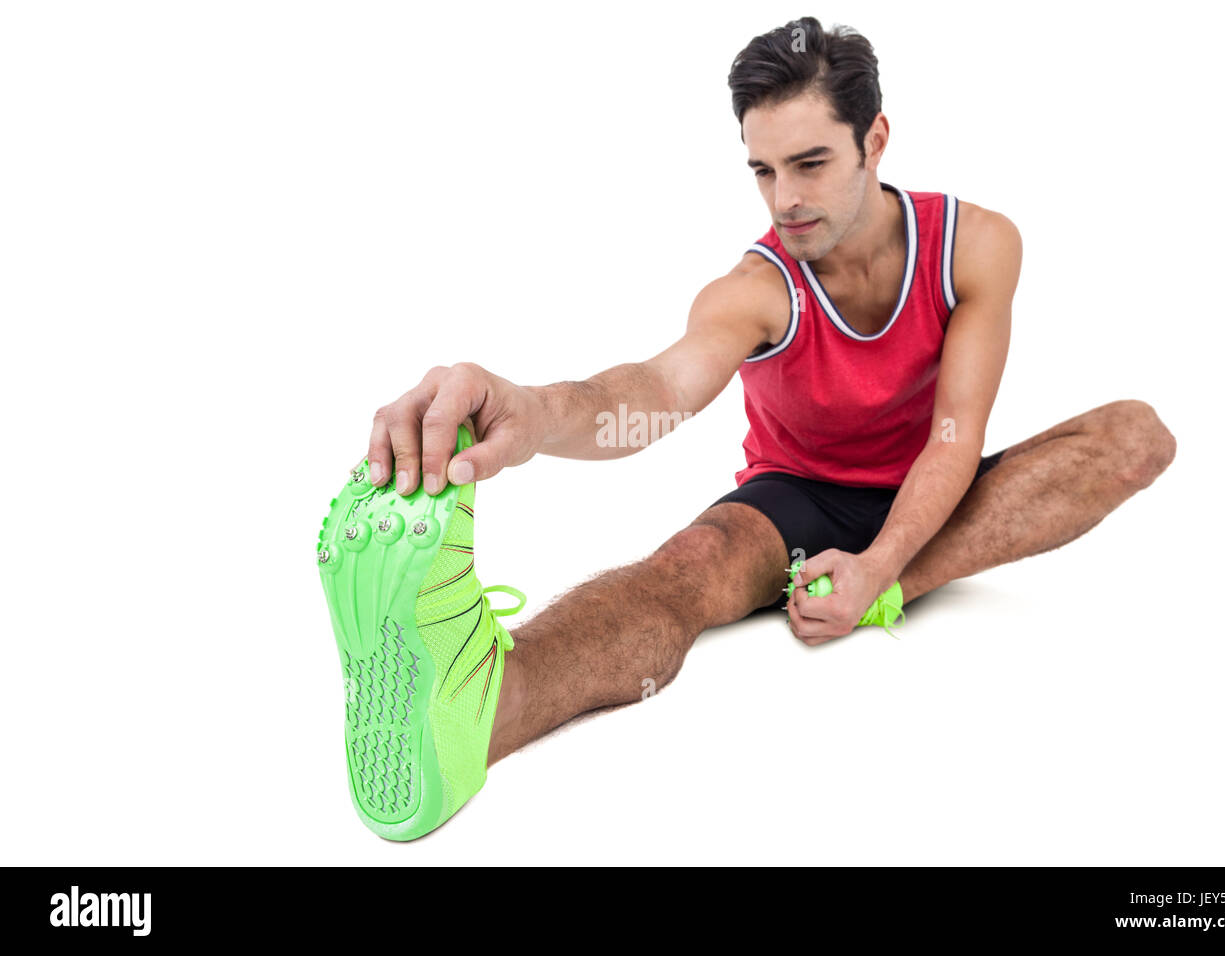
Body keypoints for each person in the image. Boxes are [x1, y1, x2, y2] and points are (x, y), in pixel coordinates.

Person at [318, 16, 1176, 839]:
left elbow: (955, 435)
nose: (786, 199)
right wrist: (534, 413)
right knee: (684, 569)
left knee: (1136, 434)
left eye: (809, 163)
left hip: (940, 487)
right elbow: (652, 389)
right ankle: (480, 706)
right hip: (795, 503)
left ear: (876, 140)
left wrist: (883, 570)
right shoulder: (757, 288)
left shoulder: (974, 243)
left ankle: (895, 588)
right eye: (763, 171)